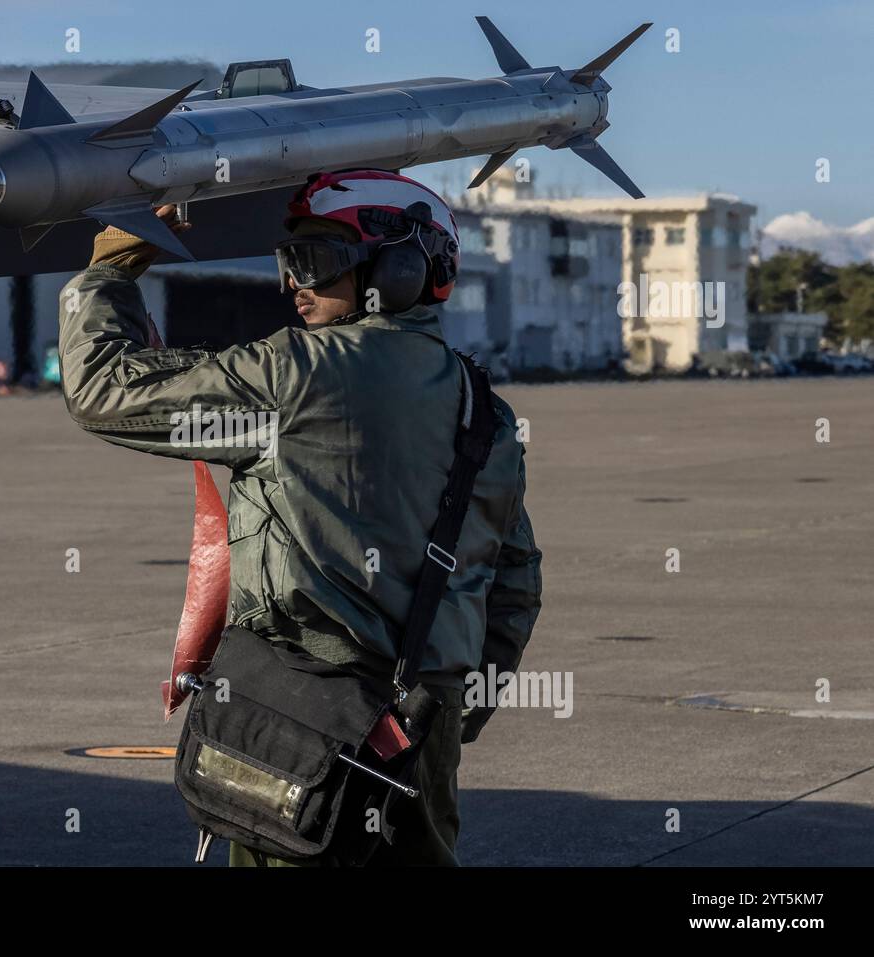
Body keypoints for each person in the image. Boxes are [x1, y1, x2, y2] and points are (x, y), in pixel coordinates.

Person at [58, 169, 542, 866]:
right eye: (289, 261)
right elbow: (515, 582)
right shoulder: (482, 410)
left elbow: (105, 389)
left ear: (399, 266)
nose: (294, 282)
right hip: (417, 730)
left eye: (314, 260)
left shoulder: (293, 375)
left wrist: (110, 271)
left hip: (296, 711)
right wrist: (448, 718)